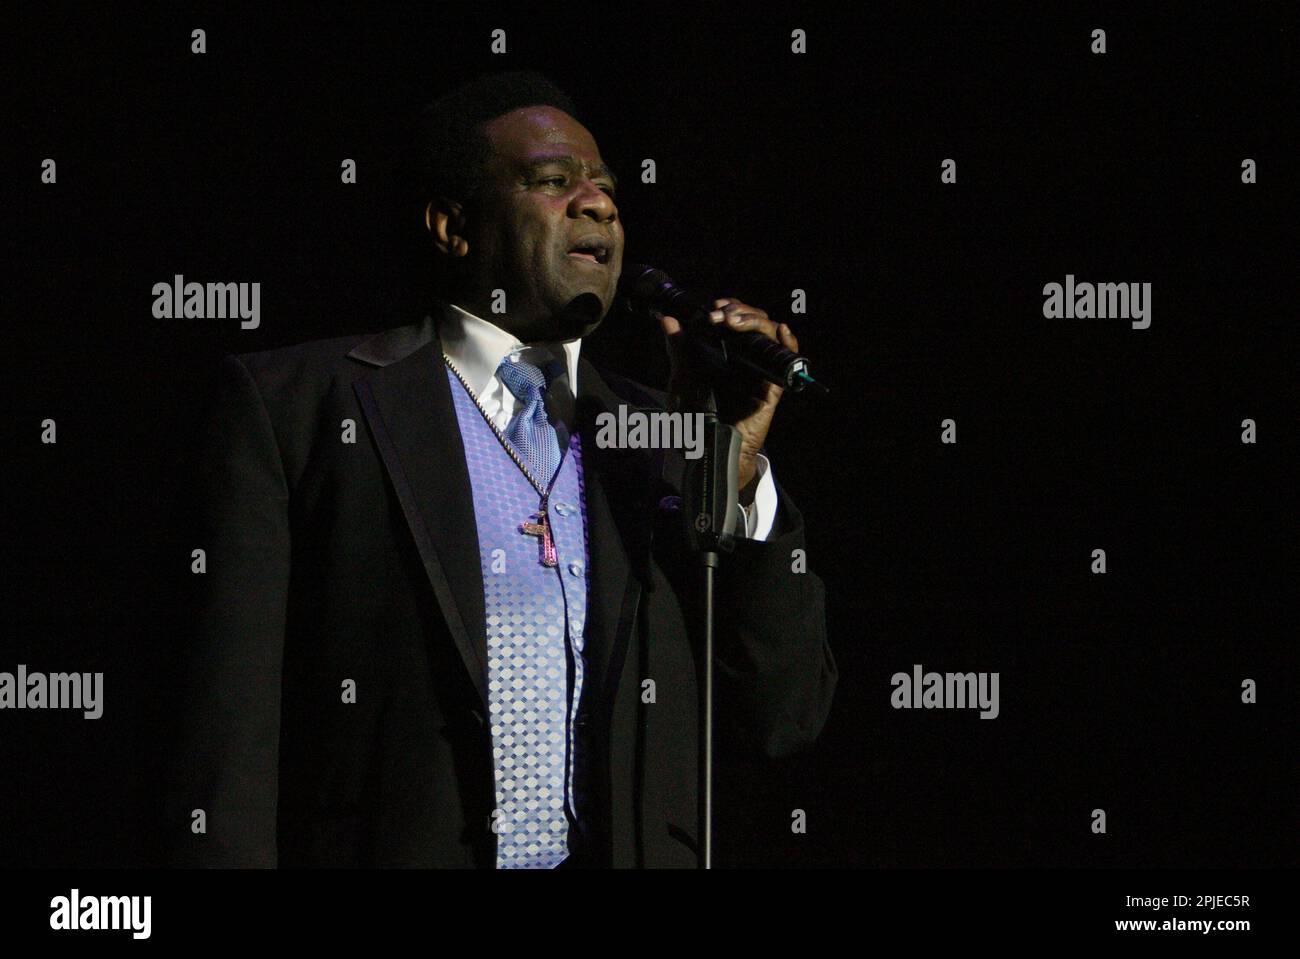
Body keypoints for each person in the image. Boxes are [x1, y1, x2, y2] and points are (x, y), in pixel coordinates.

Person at [164, 70, 836, 869]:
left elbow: (782, 714)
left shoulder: (664, 434)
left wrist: (735, 468)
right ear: (452, 227)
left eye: (606, 189)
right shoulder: (297, 409)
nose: (599, 204)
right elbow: (224, 737)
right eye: (553, 182)